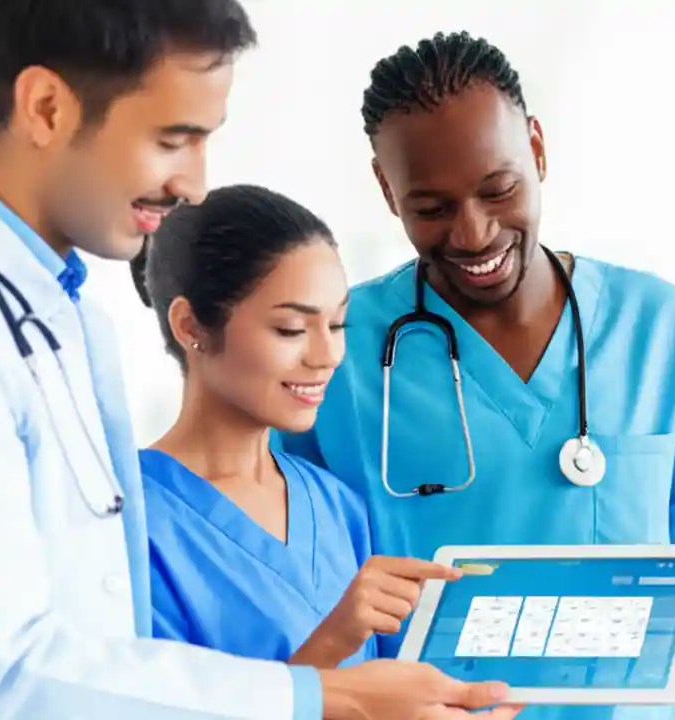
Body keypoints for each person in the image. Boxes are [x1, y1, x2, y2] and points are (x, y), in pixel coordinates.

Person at [0, 4, 516, 717]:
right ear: (46, 108)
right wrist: (330, 698)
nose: (193, 183)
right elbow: (11, 679)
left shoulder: (50, 312)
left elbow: (96, 650)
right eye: (172, 140)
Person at [278, 30, 675, 719]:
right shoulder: (336, 351)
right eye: (431, 208)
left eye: (498, 190)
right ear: (387, 188)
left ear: (536, 148)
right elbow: (294, 574)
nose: (473, 234)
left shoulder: (664, 330)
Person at [131, 183, 466, 670]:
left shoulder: (336, 506)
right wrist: (332, 642)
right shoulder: (131, 524)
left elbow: (375, 693)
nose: (327, 356)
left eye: (336, 325)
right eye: (290, 329)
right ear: (191, 326)